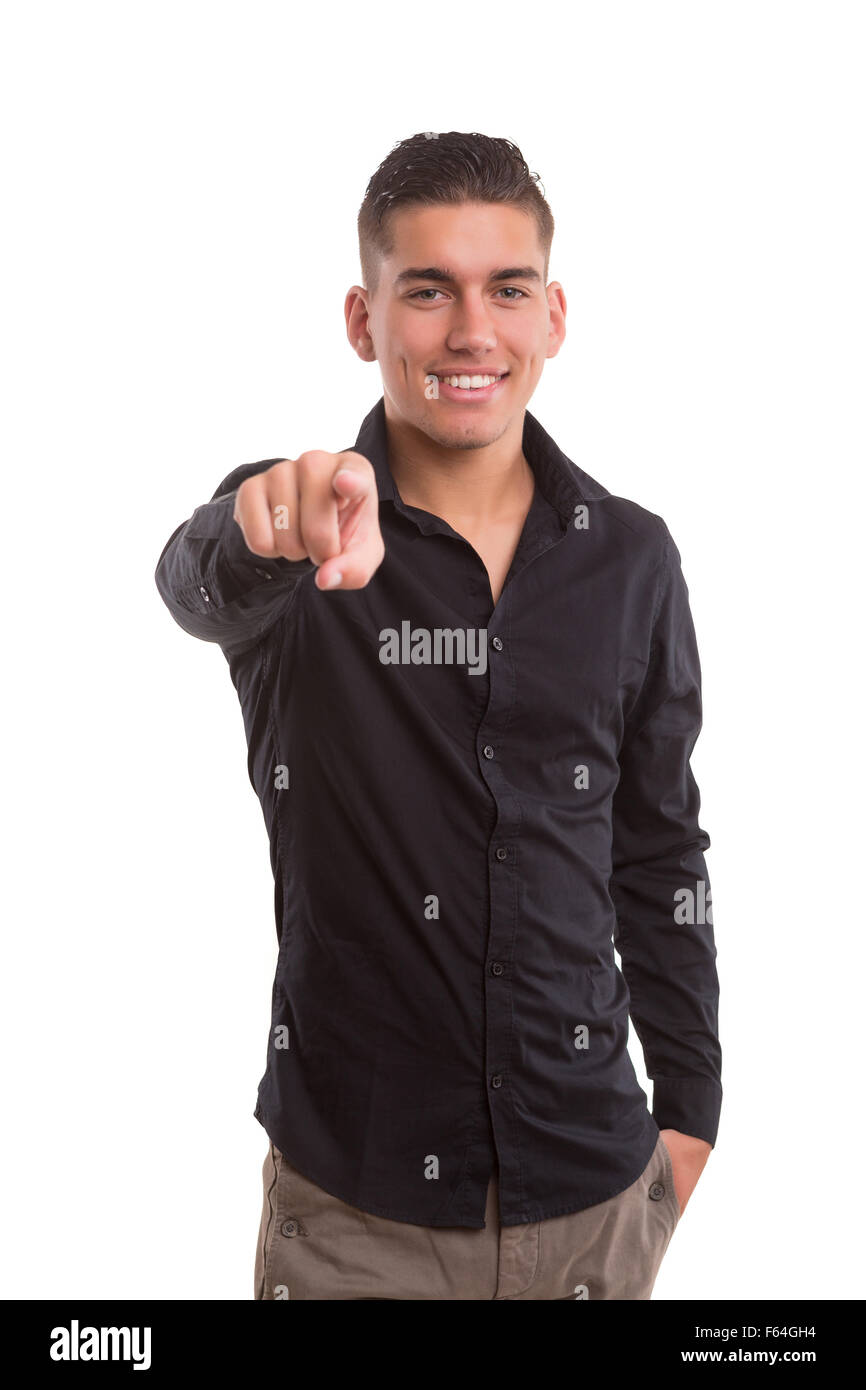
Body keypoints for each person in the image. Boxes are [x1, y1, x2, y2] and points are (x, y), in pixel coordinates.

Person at [154, 131, 721, 1300]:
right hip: (358, 1217)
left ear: (552, 315)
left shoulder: (631, 558)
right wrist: (267, 528)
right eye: (427, 291)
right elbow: (195, 579)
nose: (471, 331)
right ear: (363, 322)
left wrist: (691, 1117)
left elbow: (661, 848)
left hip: (596, 1204)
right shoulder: (303, 532)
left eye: (504, 288)